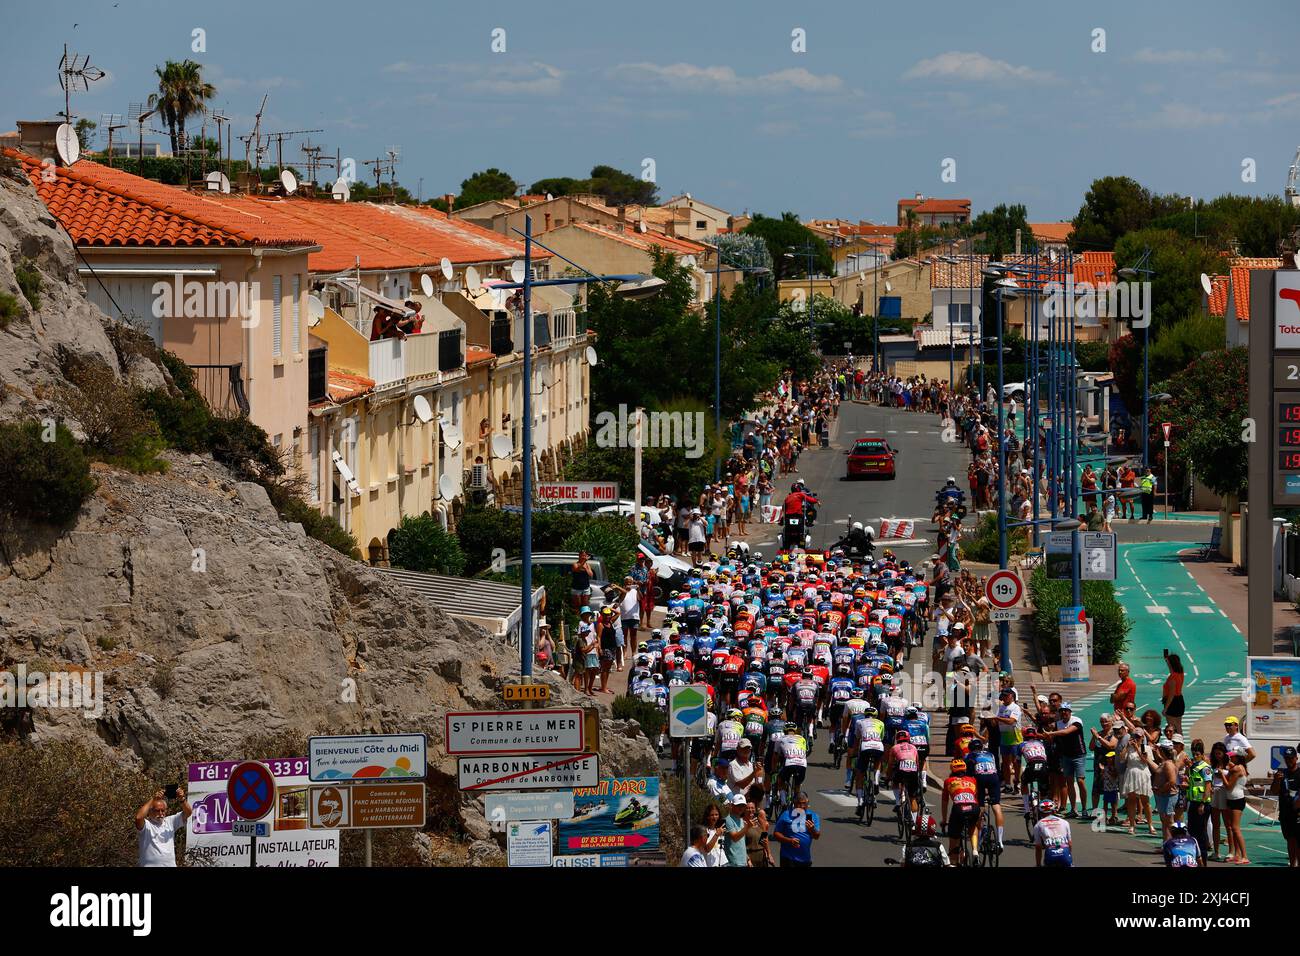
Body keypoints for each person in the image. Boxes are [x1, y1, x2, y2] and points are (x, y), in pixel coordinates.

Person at [135, 787, 193, 867]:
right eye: (157, 810)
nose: (161, 813)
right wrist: (153, 799)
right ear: (150, 811)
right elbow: (138, 817)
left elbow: (188, 812)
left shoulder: (170, 821)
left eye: (163, 810)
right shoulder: (146, 825)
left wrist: (182, 799)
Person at [1267, 744, 1300, 867]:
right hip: (1285, 813)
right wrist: (1276, 780)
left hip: (1298, 813)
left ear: (1296, 758)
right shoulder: (1281, 773)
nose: (1288, 760)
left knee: (1298, 841)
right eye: (1286, 758)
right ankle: (1293, 864)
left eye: (1291, 758)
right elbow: (1274, 791)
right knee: (1290, 840)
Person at [770, 791, 820, 867]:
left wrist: (812, 829)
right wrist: (789, 841)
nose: (802, 806)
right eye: (799, 803)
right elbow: (776, 834)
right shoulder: (786, 815)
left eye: (804, 803)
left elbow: (816, 836)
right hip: (788, 858)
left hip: (805, 859)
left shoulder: (813, 816)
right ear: (794, 803)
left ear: (808, 803)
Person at [1185, 739, 1215, 861]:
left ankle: (1203, 859)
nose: (1195, 756)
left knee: (1201, 834)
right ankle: (1195, 858)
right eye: (1194, 754)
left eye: (1198, 754)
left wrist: (1202, 803)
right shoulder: (1193, 767)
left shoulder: (1205, 768)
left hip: (1202, 804)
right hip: (1193, 802)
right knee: (1192, 831)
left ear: (1202, 754)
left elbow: (1208, 786)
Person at [1218, 750, 1250, 864]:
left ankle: (1245, 856)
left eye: (1233, 757)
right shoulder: (1239, 767)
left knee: (1235, 829)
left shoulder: (1237, 769)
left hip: (1236, 800)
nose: (1231, 759)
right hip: (1232, 799)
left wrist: (1222, 774)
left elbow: (1228, 786)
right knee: (1232, 827)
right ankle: (1237, 854)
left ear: (1238, 757)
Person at [1032, 799, 1073, 867]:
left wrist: (1038, 865)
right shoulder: (1065, 822)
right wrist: (1069, 857)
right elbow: (1070, 844)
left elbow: (1038, 848)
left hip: (1050, 854)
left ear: (1040, 812)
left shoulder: (1038, 825)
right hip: (1065, 852)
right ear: (1054, 810)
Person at [723, 793, 754, 867]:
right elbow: (735, 838)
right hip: (733, 862)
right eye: (738, 805)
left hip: (743, 861)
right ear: (732, 805)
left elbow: (741, 843)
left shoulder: (741, 820)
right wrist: (747, 827)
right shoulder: (728, 820)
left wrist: (747, 859)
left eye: (743, 805)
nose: (741, 808)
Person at [1162, 651, 1186, 735]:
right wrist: (1166, 658)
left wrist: (1166, 708)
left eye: (1168, 663)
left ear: (1171, 664)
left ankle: (1175, 744)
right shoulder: (1180, 673)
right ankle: (1180, 743)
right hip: (1179, 700)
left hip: (1173, 702)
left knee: (1171, 726)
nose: (1167, 664)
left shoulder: (1172, 677)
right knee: (1178, 726)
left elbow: (1171, 695)